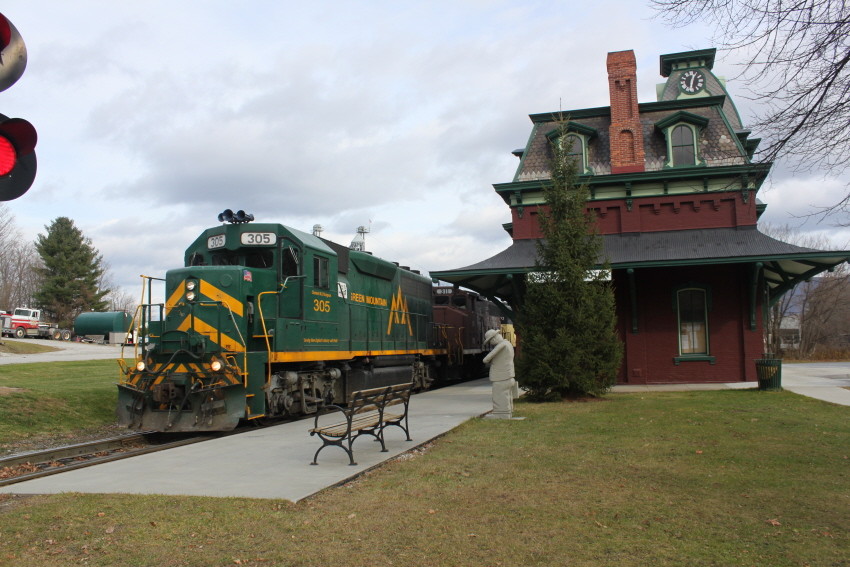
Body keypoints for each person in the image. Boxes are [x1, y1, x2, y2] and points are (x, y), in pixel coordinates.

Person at [482, 328, 515, 419]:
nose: (491, 343)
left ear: (494, 339)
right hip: (508, 375)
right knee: (507, 394)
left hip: (501, 376)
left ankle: (500, 413)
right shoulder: (508, 344)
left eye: (490, 341)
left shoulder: (501, 346)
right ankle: (508, 412)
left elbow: (486, 359)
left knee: (499, 394)